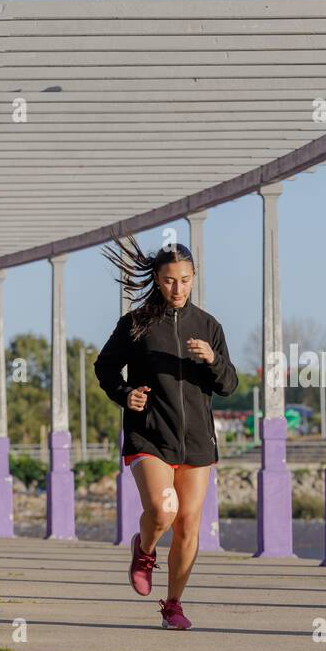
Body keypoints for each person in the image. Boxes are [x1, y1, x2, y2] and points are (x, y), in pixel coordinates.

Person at [93, 235, 239, 630]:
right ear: (157, 279)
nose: (179, 288)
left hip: (196, 442)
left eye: (186, 279)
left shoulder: (209, 327)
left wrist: (212, 361)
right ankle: (144, 549)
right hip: (149, 434)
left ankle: (173, 604)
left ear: (194, 278)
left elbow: (229, 385)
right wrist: (125, 394)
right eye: (171, 280)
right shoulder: (136, 324)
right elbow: (104, 368)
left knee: (189, 525)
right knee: (163, 509)